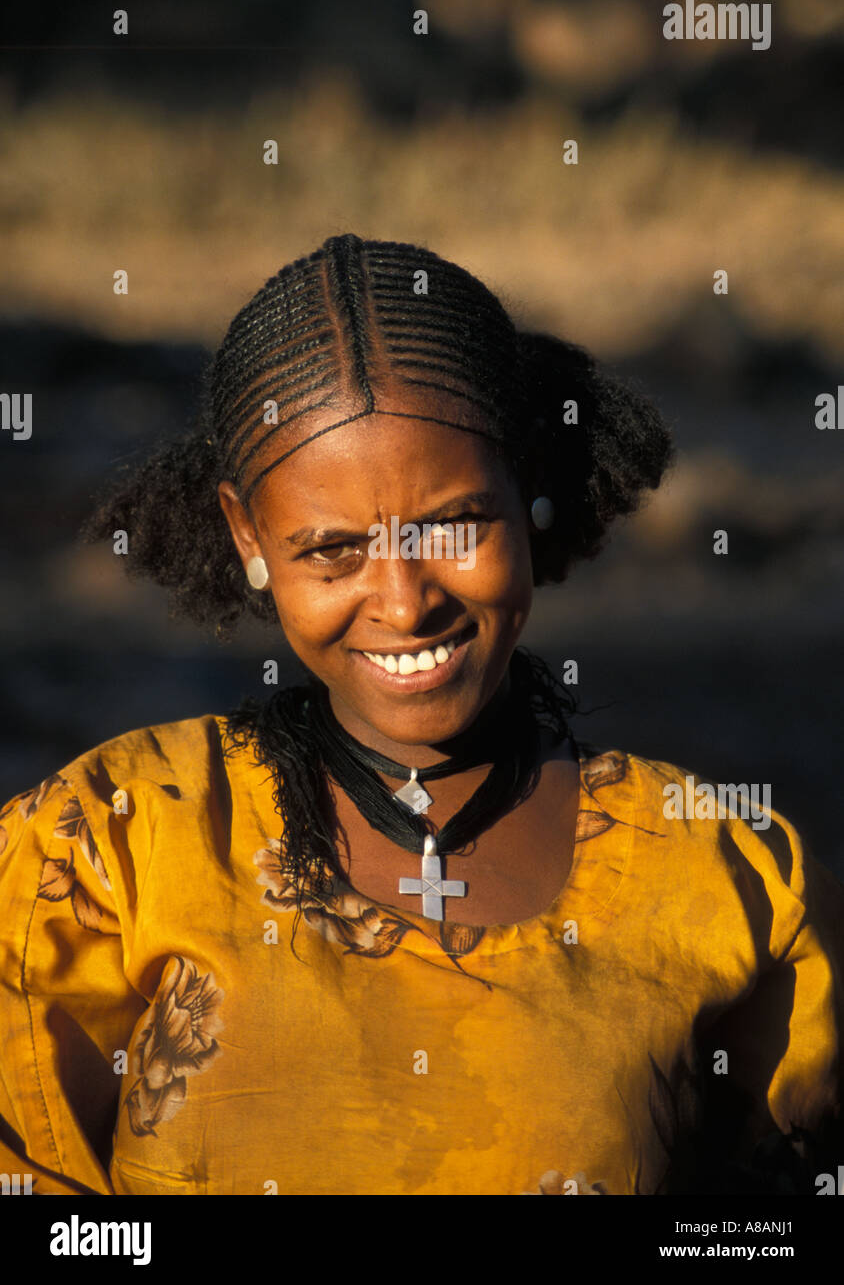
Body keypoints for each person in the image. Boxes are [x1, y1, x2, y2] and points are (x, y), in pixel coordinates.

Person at [0, 233, 841, 1196]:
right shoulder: (111, 846)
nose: (404, 603)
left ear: (528, 495)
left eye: (454, 525)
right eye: (332, 549)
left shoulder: (723, 872)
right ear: (249, 538)